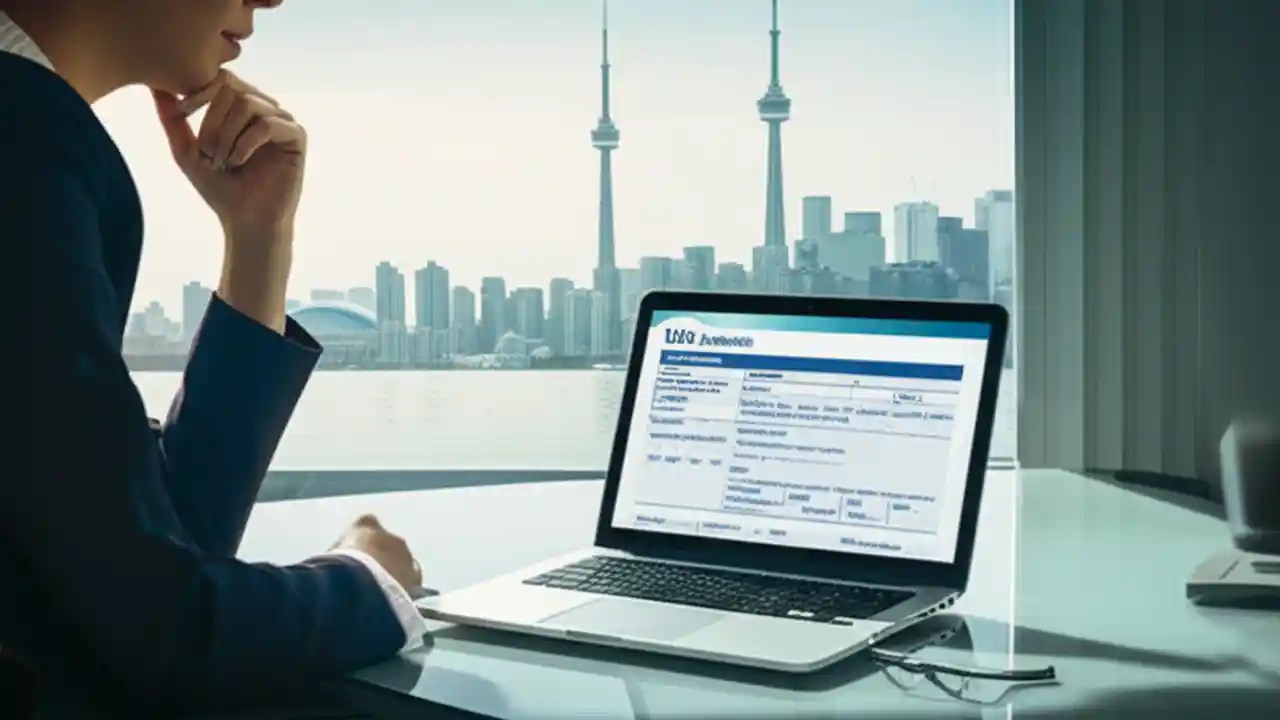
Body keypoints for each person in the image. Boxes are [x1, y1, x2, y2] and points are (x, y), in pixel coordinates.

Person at [0, 0, 429, 714]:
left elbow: (150, 550)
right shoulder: (21, 147)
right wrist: (367, 582)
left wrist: (257, 240)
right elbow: (163, 636)